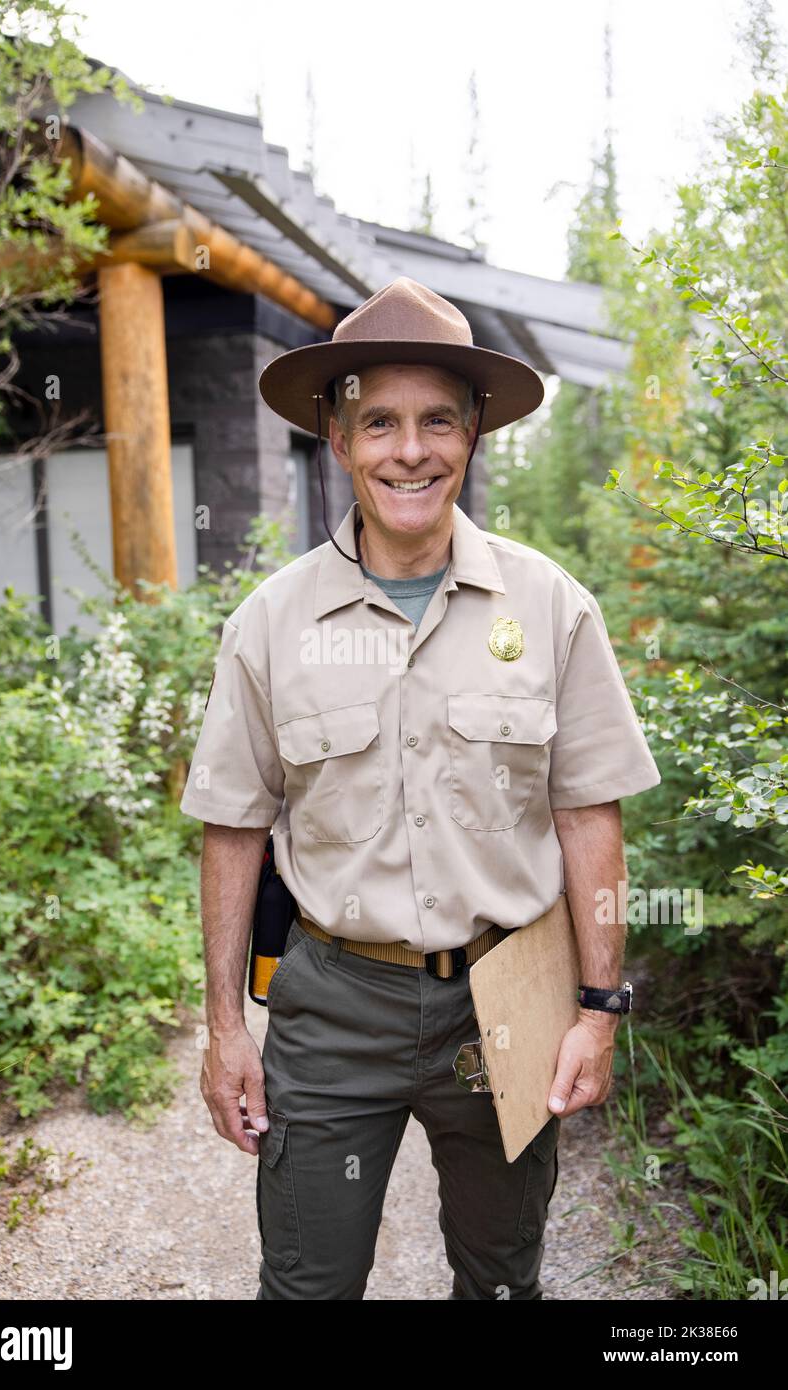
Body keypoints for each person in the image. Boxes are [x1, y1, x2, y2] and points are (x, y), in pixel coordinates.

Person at [180, 277, 661, 1300]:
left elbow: (590, 816)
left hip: (506, 994)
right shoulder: (270, 623)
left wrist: (598, 1011)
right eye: (381, 422)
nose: (411, 450)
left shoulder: (551, 607)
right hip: (333, 1003)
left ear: (474, 431)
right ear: (338, 434)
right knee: (309, 1284)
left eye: (437, 419)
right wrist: (226, 1030)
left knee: (501, 1280)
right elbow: (232, 829)